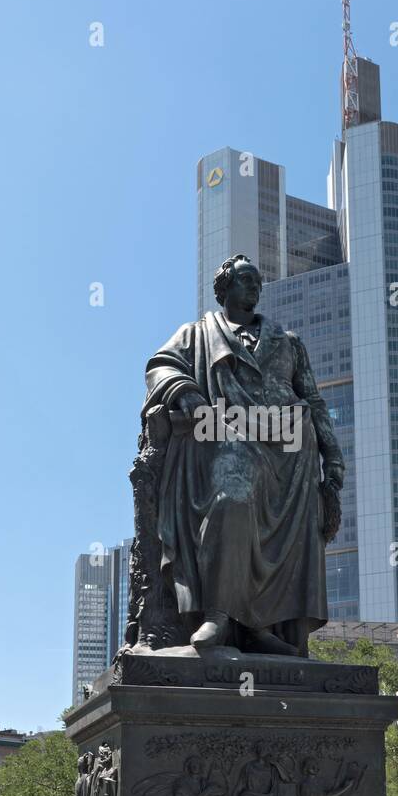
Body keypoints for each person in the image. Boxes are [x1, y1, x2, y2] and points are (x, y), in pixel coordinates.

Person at [136, 254, 345, 657]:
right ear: (223, 289)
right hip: (221, 437)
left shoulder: (289, 342)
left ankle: (261, 626)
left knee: (291, 524)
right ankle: (220, 614)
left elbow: (314, 402)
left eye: (257, 281)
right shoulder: (196, 335)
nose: (254, 287)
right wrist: (189, 395)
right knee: (232, 502)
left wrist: (333, 467)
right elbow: (159, 367)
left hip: (289, 454)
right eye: (245, 280)